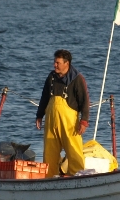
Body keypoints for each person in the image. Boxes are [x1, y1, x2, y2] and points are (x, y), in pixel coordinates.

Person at [36, 49, 89, 177]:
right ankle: (50, 178)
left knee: (73, 149)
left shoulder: (77, 79)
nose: (55, 65)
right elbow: (44, 97)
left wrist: (84, 121)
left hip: (70, 123)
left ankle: (77, 176)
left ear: (67, 63)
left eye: (58, 63)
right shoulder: (51, 77)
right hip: (51, 121)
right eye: (54, 62)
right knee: (49, 152)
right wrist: (39, 115)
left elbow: (84, 101)